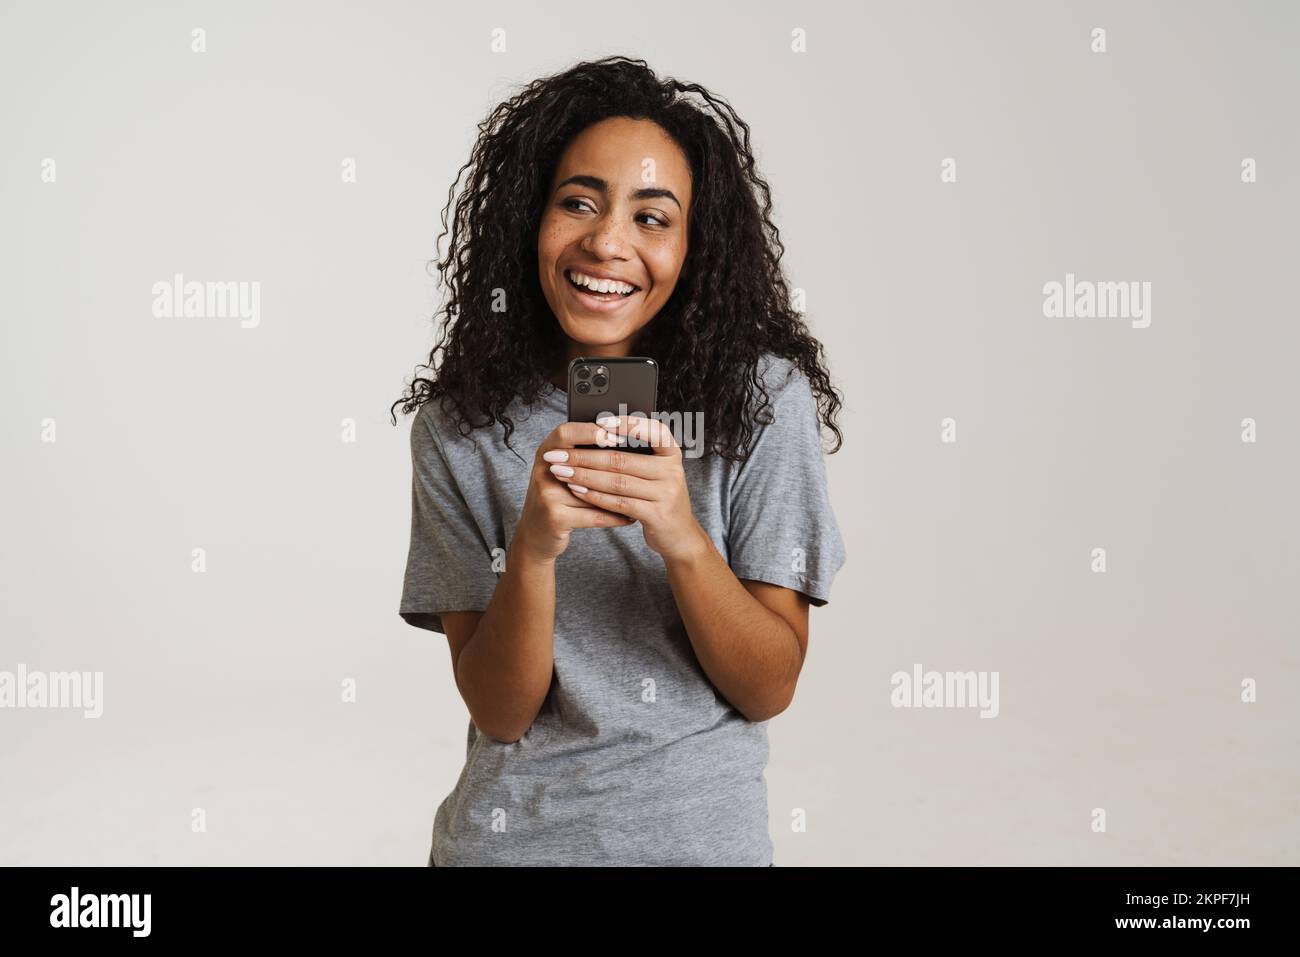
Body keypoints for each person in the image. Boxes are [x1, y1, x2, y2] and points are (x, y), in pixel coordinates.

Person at [392, 56, 846, 866]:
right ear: (531, 218)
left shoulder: (763, 401)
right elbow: (501, 711)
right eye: (579, 203)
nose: (606, 243)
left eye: (652, 217)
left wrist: (681, 536)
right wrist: (530, 551)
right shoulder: (458, 428)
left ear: (694, 245)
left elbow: (769, 683)